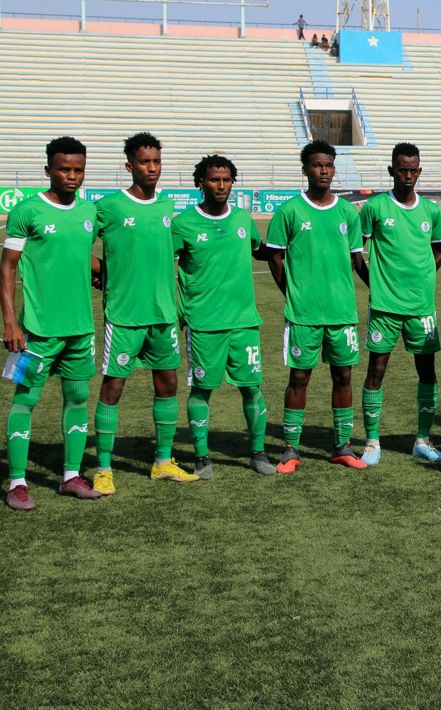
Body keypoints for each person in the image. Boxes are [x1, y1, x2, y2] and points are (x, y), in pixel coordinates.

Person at [0, 137, 103, 509]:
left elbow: (77, 252)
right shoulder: (28, 211)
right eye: (64, 169)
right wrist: (11, 323)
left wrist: (99, 269)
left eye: (78, 169)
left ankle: (71, 476)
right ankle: (16, 482)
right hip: (36, 332)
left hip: (80, 329)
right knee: (25, 400)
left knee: (77, 398)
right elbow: (8, 268)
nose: (71, 176)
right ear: (48, 170)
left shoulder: (89, 211)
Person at [92, 132, 193, 493]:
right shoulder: (108, 206)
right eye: (144, 162)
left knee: (167, 385)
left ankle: (163, 461)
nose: (152, 168)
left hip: (164, 315)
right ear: (129, 165)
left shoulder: (167, 207)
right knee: (113, 388)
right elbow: (79, 242)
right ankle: (103, 467)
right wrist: (100, 272)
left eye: (156, 161)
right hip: (124, 315)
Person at [172, 155, 277, 478]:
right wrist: (180, 313)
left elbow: (264, 250)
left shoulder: (244, 220)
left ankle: (258, 452)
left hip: (244, 322)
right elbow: (166, 270)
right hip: (203, 323)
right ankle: (202, 457)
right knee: (202, 389)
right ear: (200, 183)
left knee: (252, 388)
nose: (221, 185)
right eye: (214, 179)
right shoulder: (183, 224)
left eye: (227, 179)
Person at [265, 140, 366, 472]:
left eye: (329, 165)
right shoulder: (289, 211)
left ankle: (342, 446)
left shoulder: (348, 213)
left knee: (344, 376)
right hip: (304, 314)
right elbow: (275, 257)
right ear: (305, 169)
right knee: (299, 378)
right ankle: (291, 449)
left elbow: (355, 259)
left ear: (334, 169)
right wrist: (291, 293)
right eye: (317, 165)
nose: (324, 171)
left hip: (341, 313)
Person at [357, 143, 441, 466]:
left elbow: (438, 252)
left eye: (413, 170)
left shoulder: (431, 211)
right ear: (391, 171)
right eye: (402, 169)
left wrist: (421, 282)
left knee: (427, 372)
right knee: (376, 370)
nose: (407, 175)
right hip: (384, 308)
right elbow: (357, 254)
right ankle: (371, 442)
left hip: (422, 308)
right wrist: (378, 285)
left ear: (419, 171)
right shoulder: (374, 207)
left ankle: (423, 439)